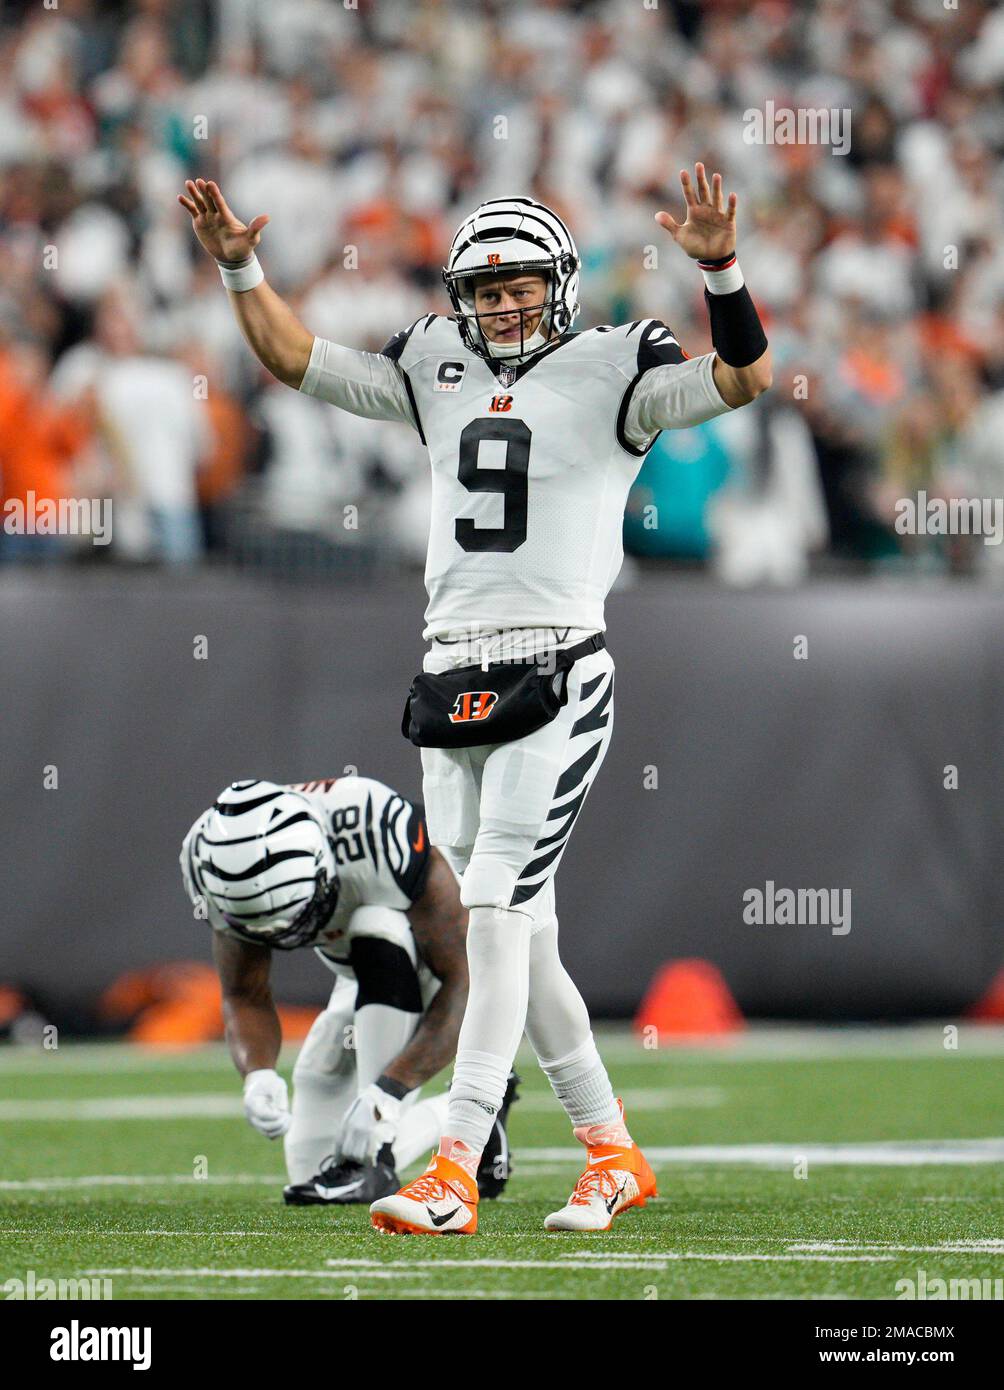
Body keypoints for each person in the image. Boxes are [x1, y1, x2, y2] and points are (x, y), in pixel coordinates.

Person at [178, 169, 771, 1233]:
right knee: (512, 934)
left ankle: (454, 1163)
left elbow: (740, 377)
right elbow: (294, 356)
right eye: (482, 288)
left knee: (493, 912)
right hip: (447, 674)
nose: (499, 304)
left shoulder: (613, 362)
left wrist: (720, 269)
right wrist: (239, 266)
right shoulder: (431, 362)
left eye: (517, 285)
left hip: (557, 666)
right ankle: (610, 1153)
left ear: (559, 283)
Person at [180, 775, 516, 1206]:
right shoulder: (214, 863)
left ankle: (381, 1156)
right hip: (357, 969)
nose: (283, 936)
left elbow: (468, 980)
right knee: (312, 1162)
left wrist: (387, 1094)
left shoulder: (378, 832)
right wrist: (258, 1075)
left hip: (429, 955)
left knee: (377, 926)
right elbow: (244, 994)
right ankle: (474, 1109)